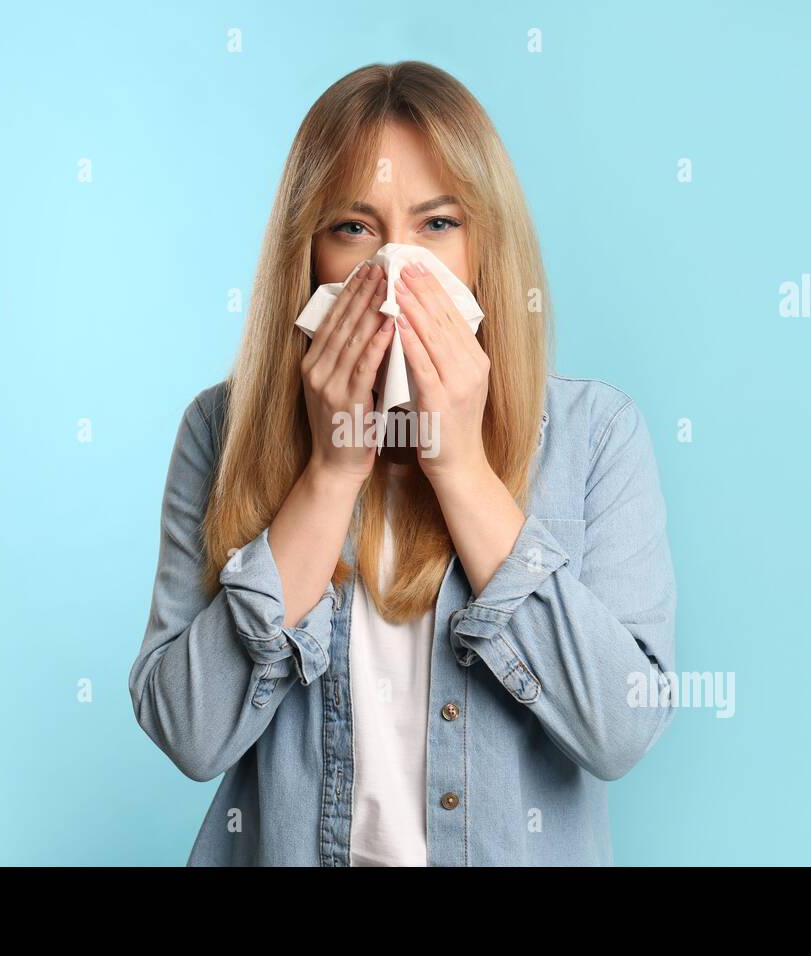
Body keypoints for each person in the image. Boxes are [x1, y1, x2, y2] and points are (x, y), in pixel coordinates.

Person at [128, 60, 677, 866]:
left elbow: (620, 730)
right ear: (307, 256)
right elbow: (189, 732)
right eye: (354, 228)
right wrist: (329, 471)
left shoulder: (595, 436)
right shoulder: (221, 430)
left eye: (437, 225)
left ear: (485, 249)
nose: (394, 271)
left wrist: (458, 466)